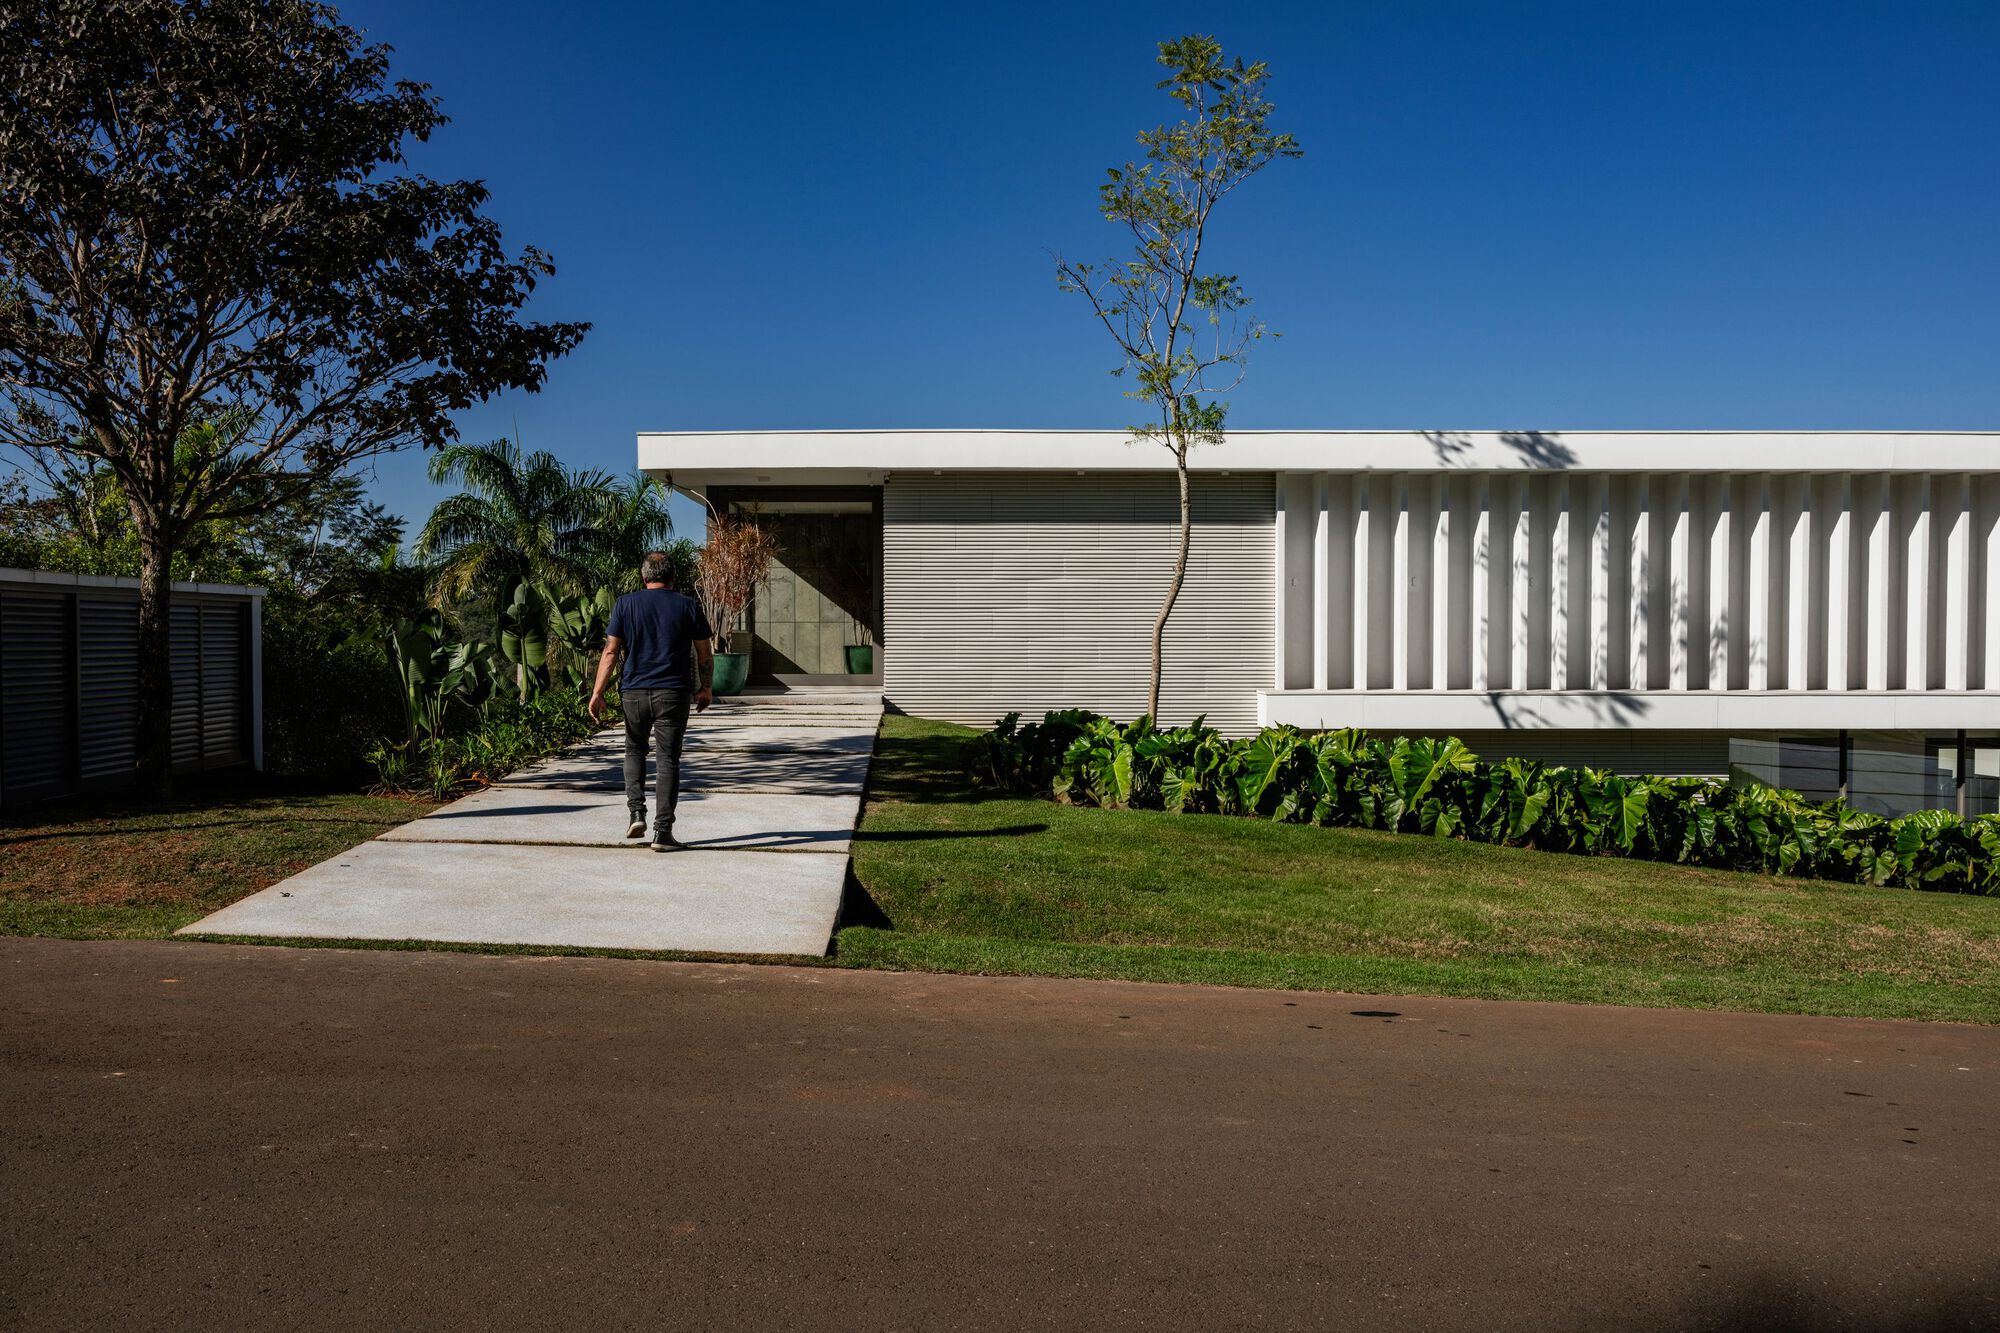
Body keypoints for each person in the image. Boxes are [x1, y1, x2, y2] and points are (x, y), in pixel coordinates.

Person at [588, 551, 714, 851]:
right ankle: (662, 833)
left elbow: (610, 652)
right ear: (672, 576)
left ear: (644, 577)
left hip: (633, 692)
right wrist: (705, 688)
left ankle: (636, 812)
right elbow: (704, 654)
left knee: (634, 750)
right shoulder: (688, 606)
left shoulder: (625, 604)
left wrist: (598, 692)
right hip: (673, 692)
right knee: (668, 759)